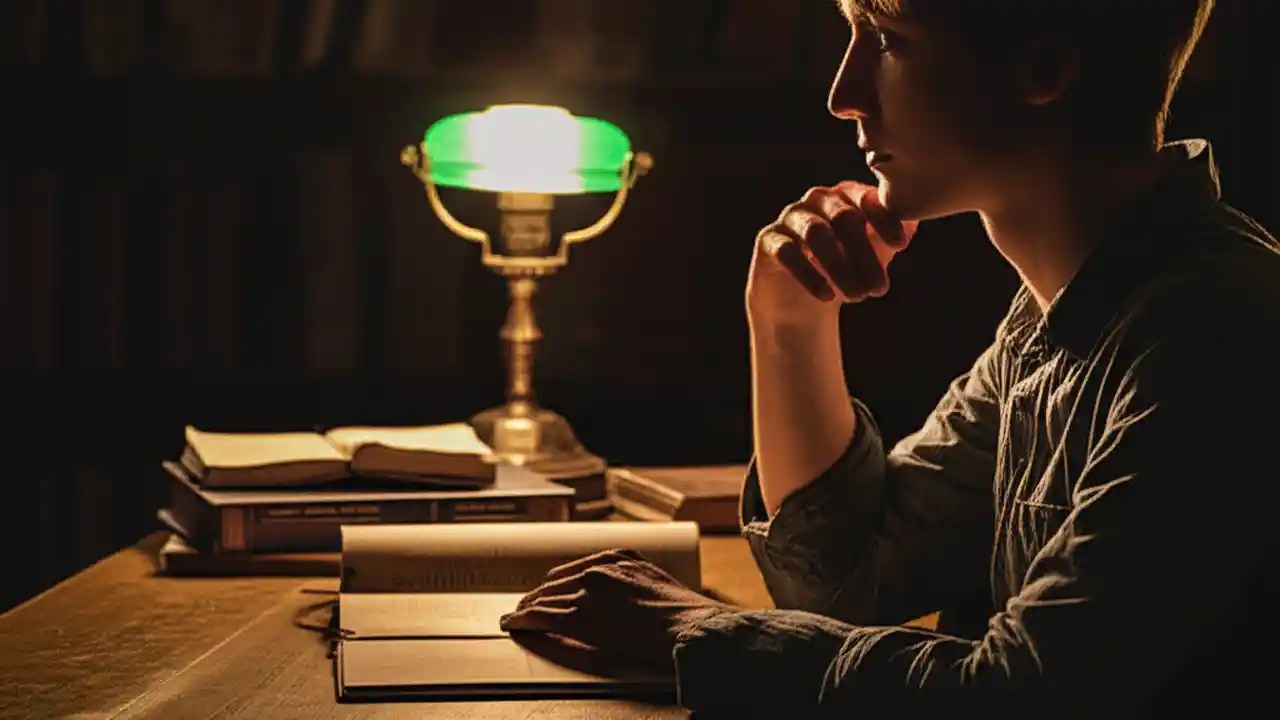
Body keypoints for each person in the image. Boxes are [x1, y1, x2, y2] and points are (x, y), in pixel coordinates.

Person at [500, 0, 1280, 715]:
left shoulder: (1213, 334)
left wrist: (695, 629)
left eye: (886, 39)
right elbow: (842, 584)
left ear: (1040, 70)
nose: (844, 91)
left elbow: (1027, 698)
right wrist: (787, 324)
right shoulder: (1056, 319)